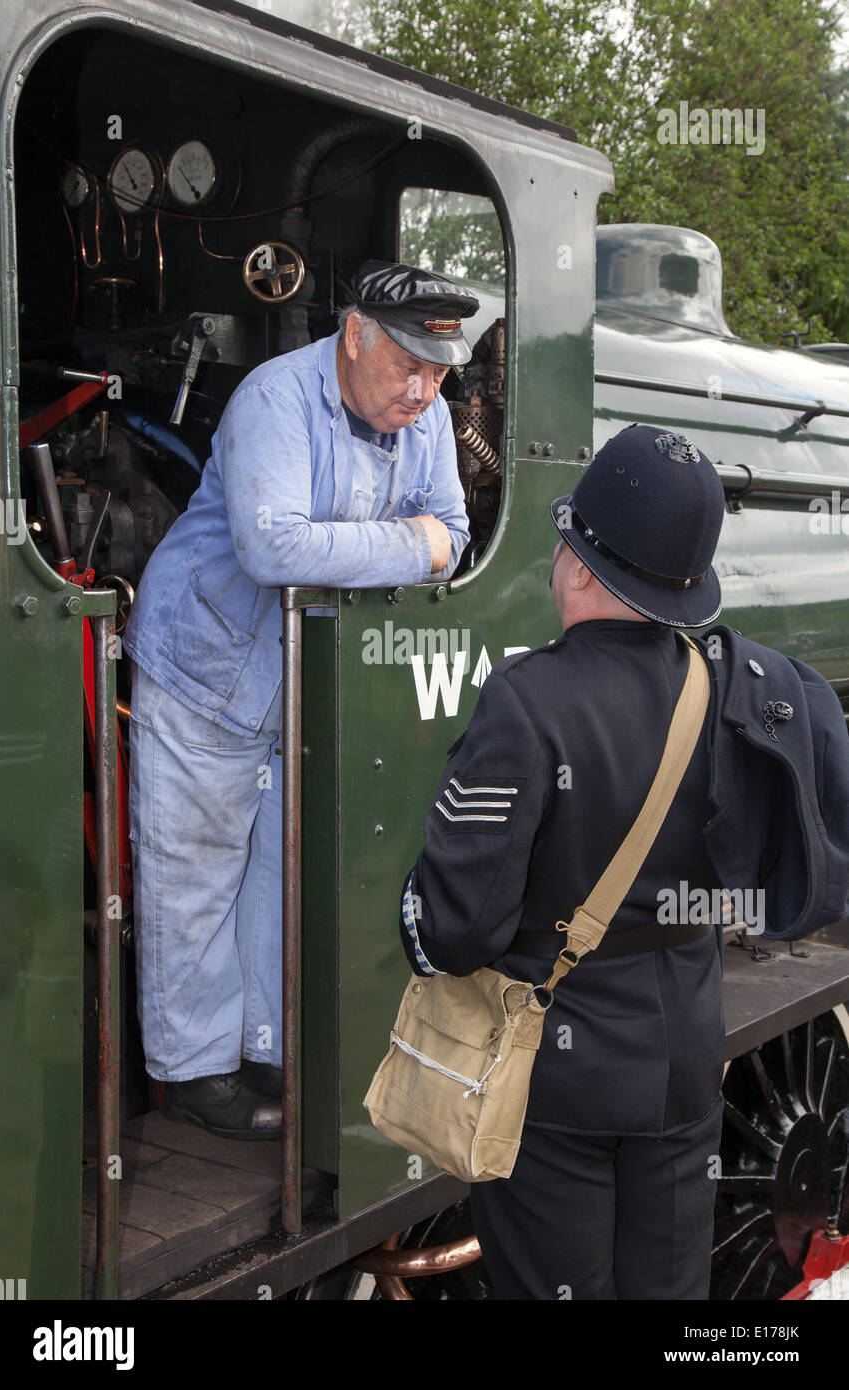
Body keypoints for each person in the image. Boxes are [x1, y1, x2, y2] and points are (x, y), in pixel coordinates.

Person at [398, 424, 849, 1298]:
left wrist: (418, 927)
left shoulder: (527, 705)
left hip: (554, 1081)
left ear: (576, 566)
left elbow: (457, 930)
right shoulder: (738, 692)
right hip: (683, 1056)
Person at [124, 261, 477, 1139]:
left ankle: (267, 1048)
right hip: (205, 662)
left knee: (280, 871)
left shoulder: (425, 415)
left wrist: (403, 541)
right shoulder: (274, 401)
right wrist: (411, 544)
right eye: (408, 365)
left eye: (439, 372)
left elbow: (458, 531)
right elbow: (276, 548)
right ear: (354, 336)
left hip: (304, 680)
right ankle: (195, 1075)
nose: (425, 391)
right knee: (193, 872)